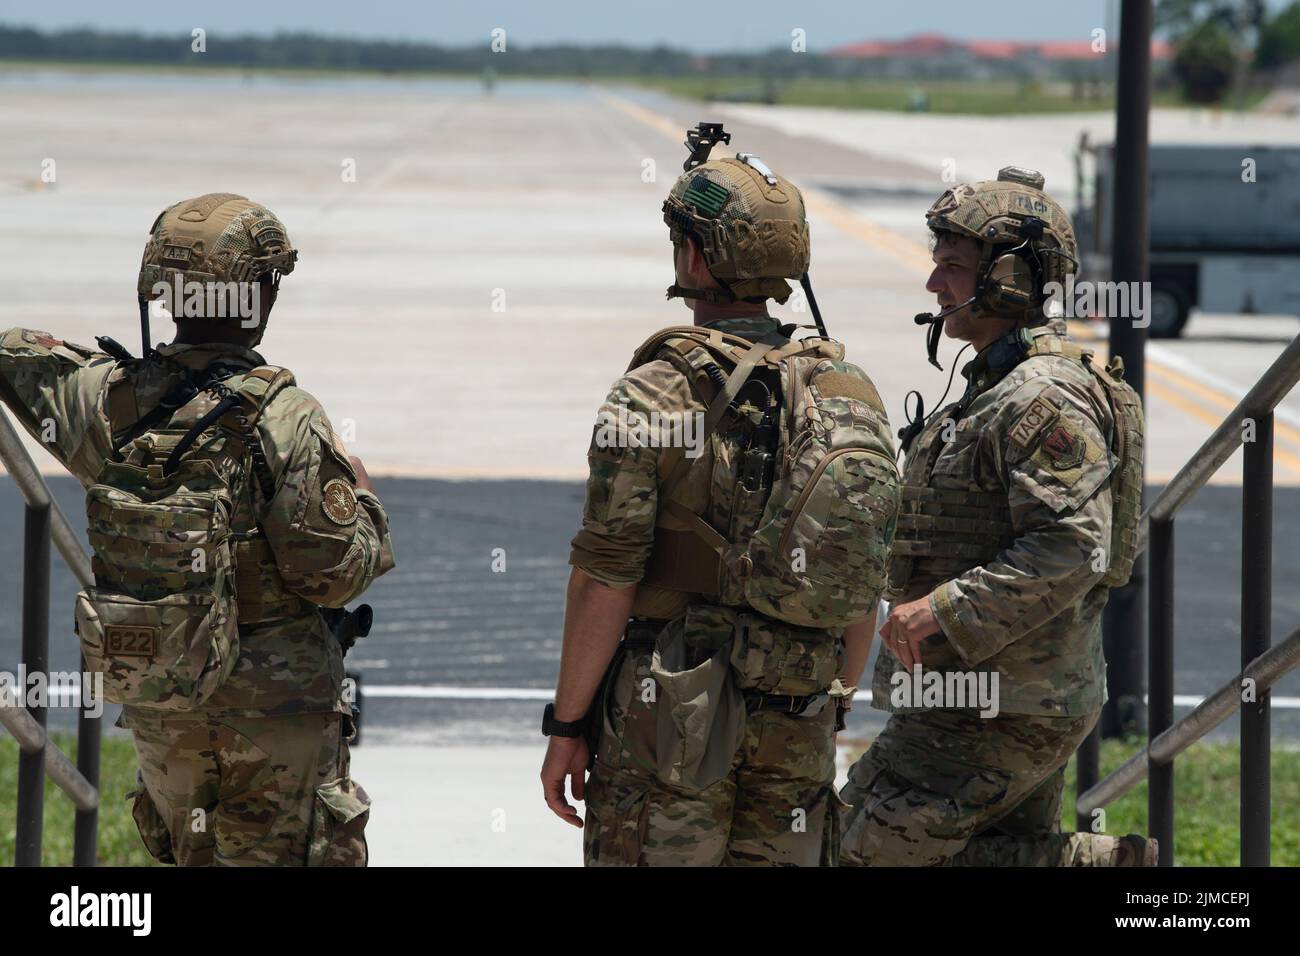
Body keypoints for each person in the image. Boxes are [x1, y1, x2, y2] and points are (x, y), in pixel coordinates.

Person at [0, 193, 394, 866]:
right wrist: (364, 503)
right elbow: (330, 575)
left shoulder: (104, 401)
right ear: (261, 297)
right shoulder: (286, 417)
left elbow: (15, 354)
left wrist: (106, 364)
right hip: (276, 720)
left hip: (164, 708)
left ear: (161, 294)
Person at [540, 129, 896, 866]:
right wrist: (834, 703)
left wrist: (567, 725)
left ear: (696, 257)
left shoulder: (654, 391)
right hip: (797, 716)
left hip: (668, 724)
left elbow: (606, 577)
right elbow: (861, 582)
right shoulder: (846, 391)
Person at [839, 166, 1154, 867]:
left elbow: (1076, 544)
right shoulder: (997, 386)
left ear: (1010, 278)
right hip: (987, 695)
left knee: (858, 851)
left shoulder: (1041, 396)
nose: (934, 285)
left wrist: (943, 610)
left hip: (1001, 704)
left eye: (952, 267)